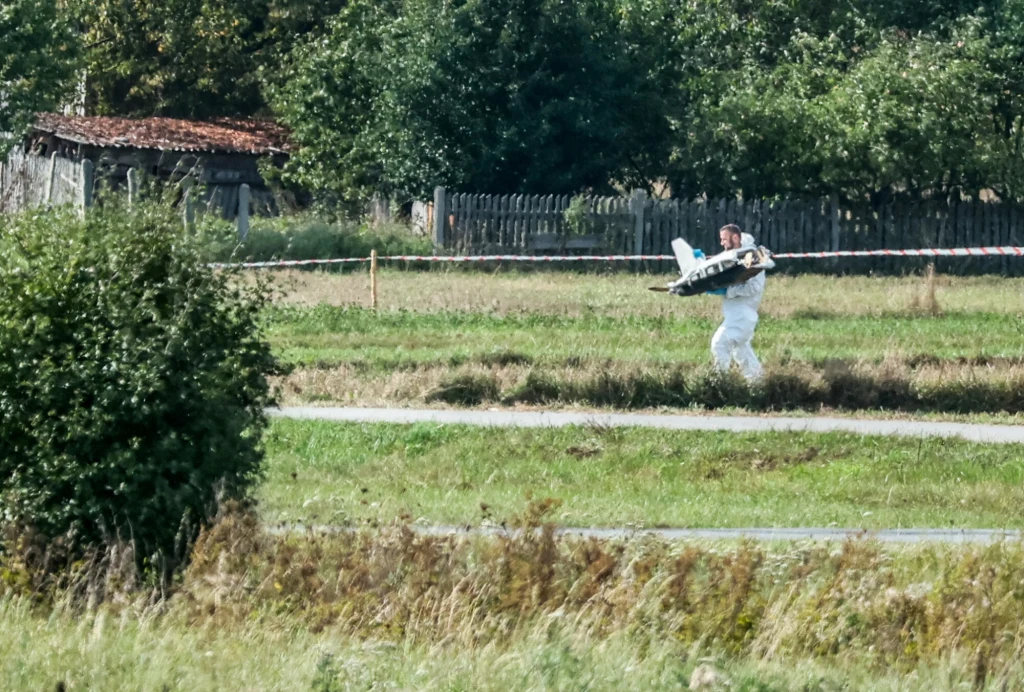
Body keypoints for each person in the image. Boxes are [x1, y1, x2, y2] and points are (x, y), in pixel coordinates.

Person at [709, 224, 765, 381]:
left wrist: (727, 291)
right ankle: (758, 385)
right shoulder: (734, 256)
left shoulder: (753, 257)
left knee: (719, 344)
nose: (722, 244)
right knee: (742, 352)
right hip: (737, 314)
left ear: (735, 238)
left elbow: (755, 287)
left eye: (724, 240)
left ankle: (720, 385)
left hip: (742, 314)